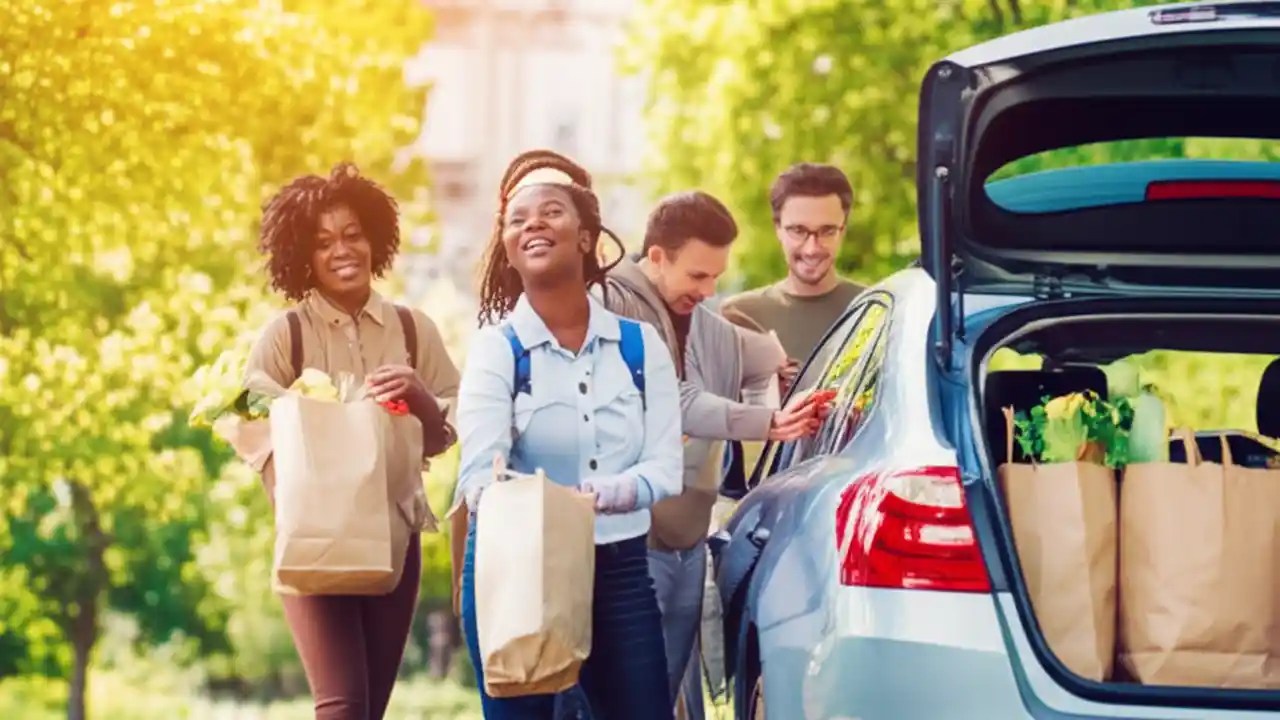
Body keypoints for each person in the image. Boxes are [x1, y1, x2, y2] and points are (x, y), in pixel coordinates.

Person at [453, 149, 684, 720]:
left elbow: (664, 470)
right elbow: (479, 477)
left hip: (621, 570)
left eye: (551, 211)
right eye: (517, 218)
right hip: (516, 572)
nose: (532, 223)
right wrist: (552, 509)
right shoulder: (497, 350)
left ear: (585, 237)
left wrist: (598, 499)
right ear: (507, 247)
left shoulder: (640, 346)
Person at [242, 163, 460, 719]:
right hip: (314, 538)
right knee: (341, 708)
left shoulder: (413, 331)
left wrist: (419, 397)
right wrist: (296, 453)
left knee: (367, 712)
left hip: (394, 540)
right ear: (303, 257)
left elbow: (448, 431)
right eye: (323, 242)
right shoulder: (286, 334)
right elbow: (242, 414)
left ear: (375, 239)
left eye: (353, 234)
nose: (342, 250)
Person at [601, 190, 826, 718]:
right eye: (698, 277)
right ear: (656, 257)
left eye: (716, 277)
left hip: (684, 539)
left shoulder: (693, 314)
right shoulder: (617, 307)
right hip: (631, 543)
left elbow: (749, 353)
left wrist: (780, 371)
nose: (708, 291)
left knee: (661, 698)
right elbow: (671, 398)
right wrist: (767, 421)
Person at [720, 163, 866, 386]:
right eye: (798, 231)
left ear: (843, 230)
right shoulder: (739, 317)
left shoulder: (874, 310)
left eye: (827, 231)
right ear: (778, 228)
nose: (812, 248)